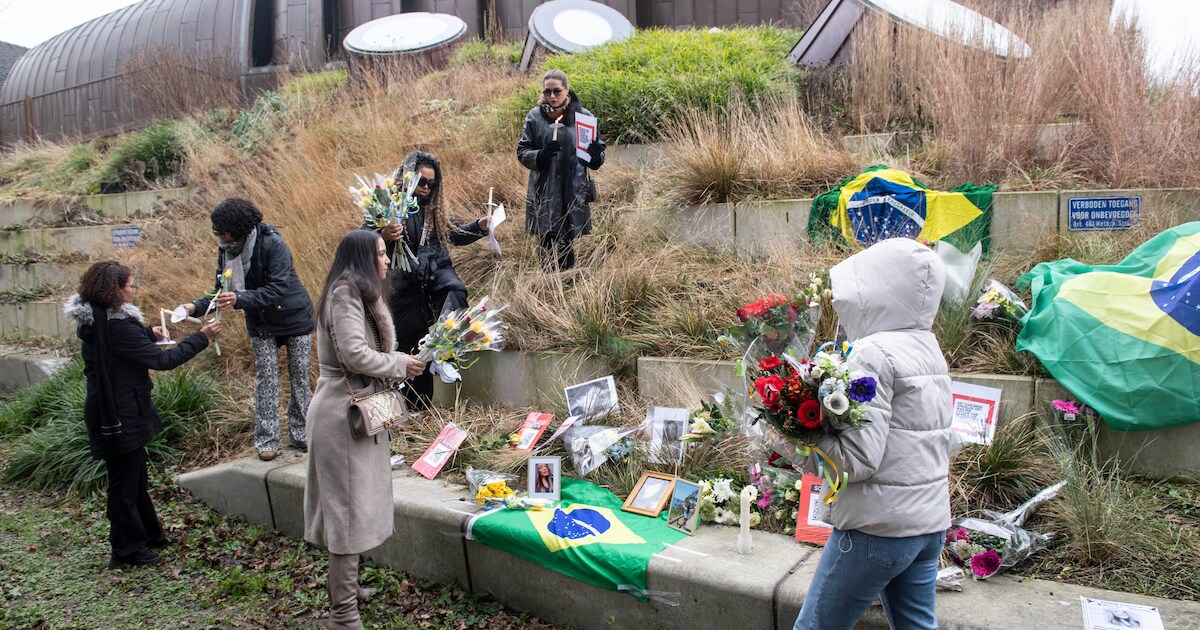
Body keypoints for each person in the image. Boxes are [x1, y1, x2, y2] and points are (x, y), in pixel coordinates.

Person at [791, 238, 953, 630]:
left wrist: (793, 439)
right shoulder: (928, 347)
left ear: (874, 289)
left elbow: (857, 462)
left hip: (876, 530)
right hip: (928, 526)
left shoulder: (874, 351)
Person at [304, 229, 426, 629]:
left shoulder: (354, 292)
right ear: (361, 259)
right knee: (347, 514)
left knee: (352, 507)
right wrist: (398, 364)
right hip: (343, 416)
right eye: (380, 253)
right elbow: (355, 354)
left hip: (354, 411)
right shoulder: (345, 293)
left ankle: (350, 593)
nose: (387, 259)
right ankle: (343, 614)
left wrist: (398, 361)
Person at [65, 262, 221, 568]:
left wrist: (148, 333)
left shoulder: (99, 319)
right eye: (130, 286)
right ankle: (125, 550)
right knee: (124, 484)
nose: (134, 291)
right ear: (115, 289)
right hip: (118, 415)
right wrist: (201, 337)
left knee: (135, 477)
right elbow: (166, 361)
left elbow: (120, 349)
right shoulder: (116, 326)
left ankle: (149, 534)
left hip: (117, 408)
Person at [178, 198, 314, 461]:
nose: (219, 236)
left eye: (222, 230)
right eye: (216, 231)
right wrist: (195, 307)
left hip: (294, 316)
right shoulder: (226, 249)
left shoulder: (272, 243)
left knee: (298, 378)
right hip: (261, 321)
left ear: (238, 227)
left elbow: (278, 288)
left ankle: (302, 434)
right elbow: (221, 289)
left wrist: (239, 299)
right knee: (267, 378)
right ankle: (267, 440)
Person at [363, 150, 489, 411]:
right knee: (411, 346)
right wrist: (384, 233)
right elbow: (362, 238)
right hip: (403, 285)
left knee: (455, 291)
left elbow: (454, 233)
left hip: (434, 274)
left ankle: (444, 352)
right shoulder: (386, 204)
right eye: (422, 182)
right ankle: (415, 410)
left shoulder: (434, 210)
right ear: (408, 177)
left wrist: (479, 226)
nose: (426, 189)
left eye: (432, 184)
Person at [517, 68, 605, 271]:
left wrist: (594, 155)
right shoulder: (535, 117)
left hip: (572, 187)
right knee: (546, 241)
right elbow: (522, 151)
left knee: (567, 239)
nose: (552, 96)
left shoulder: (583, 117)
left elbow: (597, 157)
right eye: (547, 92)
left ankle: (567, 284)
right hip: (544, 188)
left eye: (557, 91)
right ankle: (547, 288)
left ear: (567, 90)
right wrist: (540, 155)